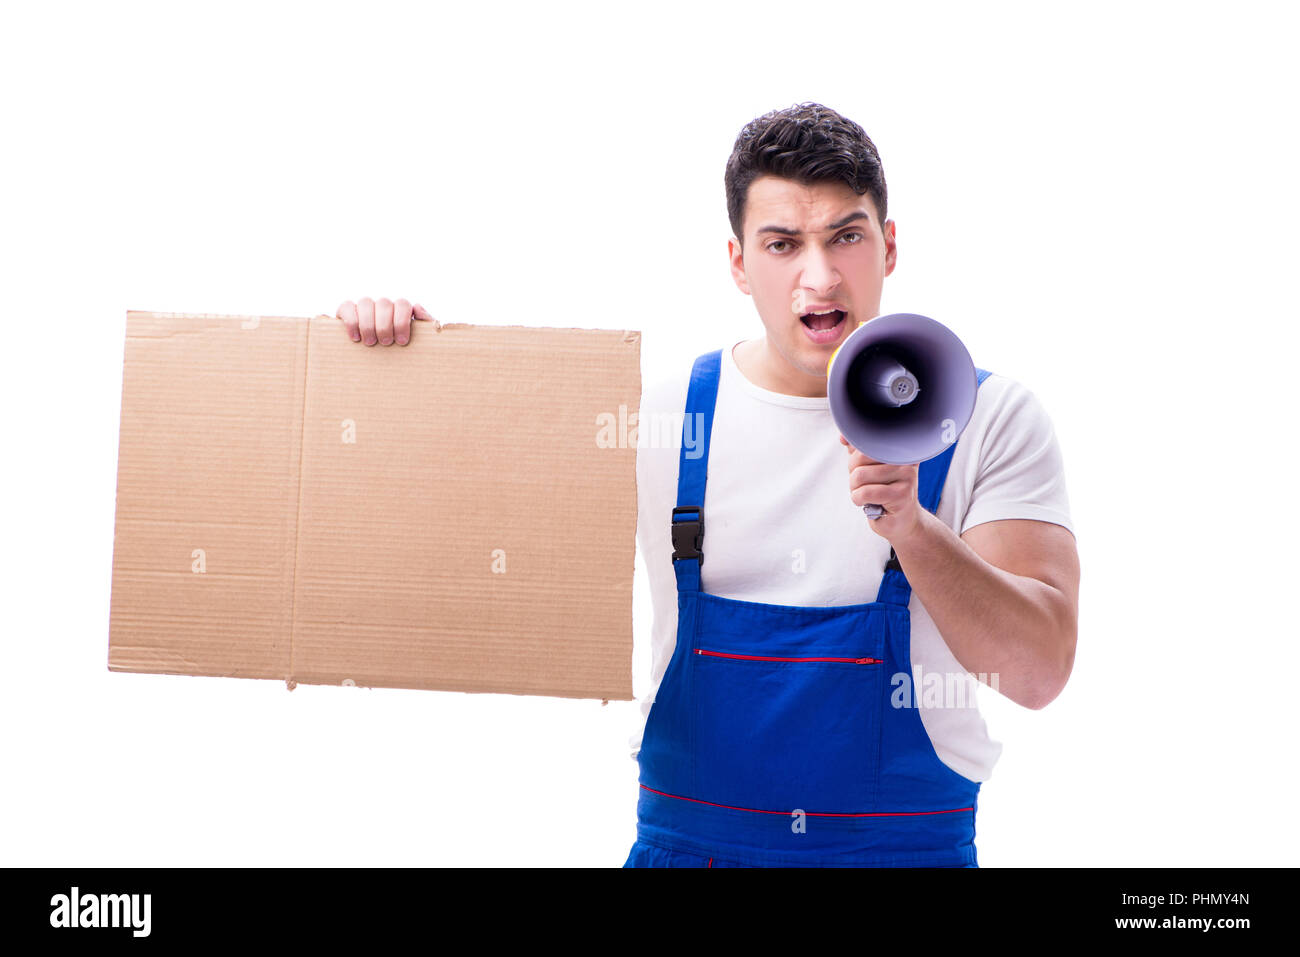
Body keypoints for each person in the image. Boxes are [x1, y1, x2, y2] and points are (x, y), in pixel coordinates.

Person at [334, 101, 1079, 868]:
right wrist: (394, 367)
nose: (818, 277)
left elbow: (1038, 672)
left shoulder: (985, 416)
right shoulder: (658, 420)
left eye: (845, 237)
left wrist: (913, 527)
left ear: (889, 246)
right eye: (783, 244)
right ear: (737, 261)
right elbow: (452, 524)